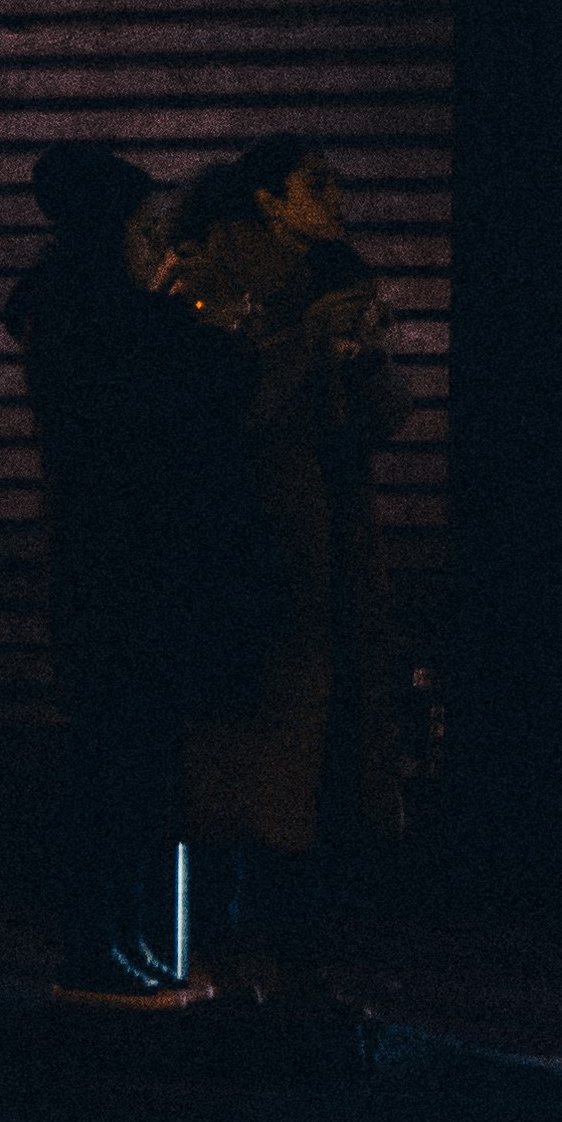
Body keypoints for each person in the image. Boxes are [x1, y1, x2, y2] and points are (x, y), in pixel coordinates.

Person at [167, 133, 403, 1011]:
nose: (335, 197)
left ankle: (297, 955)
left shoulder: (343, 271)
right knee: (251, 761)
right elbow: (227, 408)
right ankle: (229, 949)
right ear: (267, 199)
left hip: (335, 546)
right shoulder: (217, 274)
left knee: (324, 759)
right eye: (315, 183)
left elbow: (389, 415)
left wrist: (366, 355)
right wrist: (308, 342)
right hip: (258, 546)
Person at [2, 144, 236, 1000]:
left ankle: (118, 938)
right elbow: (171, 402)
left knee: (125, 762)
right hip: (116, 568)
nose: (154, 241)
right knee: (116, 762)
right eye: (142, 225)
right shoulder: (97, 315)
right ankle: (99, 944)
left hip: (106, 564)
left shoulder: (84, 308)